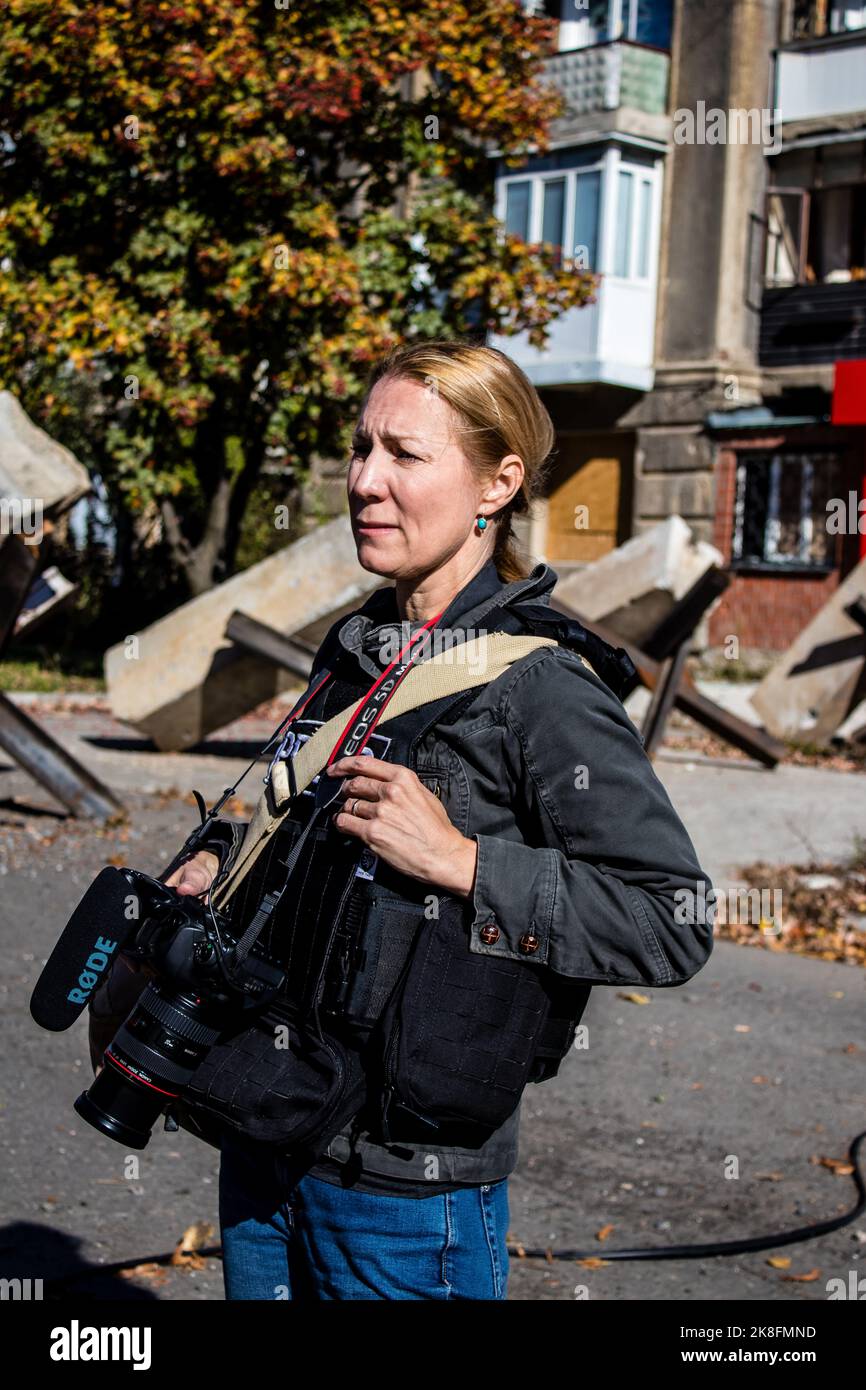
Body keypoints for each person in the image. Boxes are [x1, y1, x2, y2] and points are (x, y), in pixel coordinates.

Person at [89, 338, 715, 1300]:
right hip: (265, 1135)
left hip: (405, 1200)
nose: (365, 482)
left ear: (497, 483)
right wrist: (217, 861)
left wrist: (464, 861)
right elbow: (272, 810)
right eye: (360, 447)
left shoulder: (543, 689)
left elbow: (672, 919)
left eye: (406, 455)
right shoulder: (356, 652)